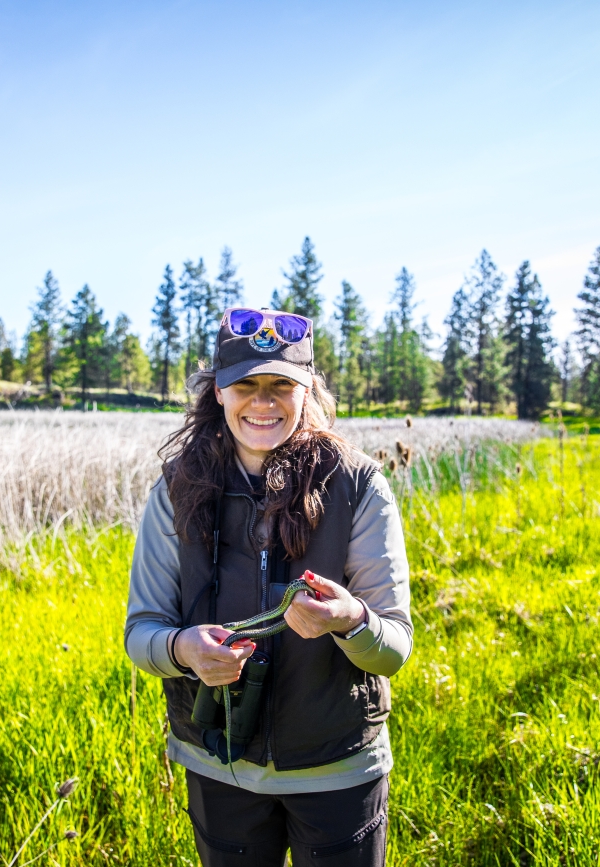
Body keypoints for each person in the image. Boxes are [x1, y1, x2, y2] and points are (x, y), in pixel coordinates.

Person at [125, 307, 413, 867]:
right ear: (218, 394)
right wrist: (184, 651)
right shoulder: (175, 491)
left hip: (339, 770)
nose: (263, 401)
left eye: (282, 384)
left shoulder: (359, 487)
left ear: (308, 392)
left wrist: (351, 620)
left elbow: (395, 647)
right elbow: (142, 633)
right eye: (245, 385)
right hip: (217, 764)